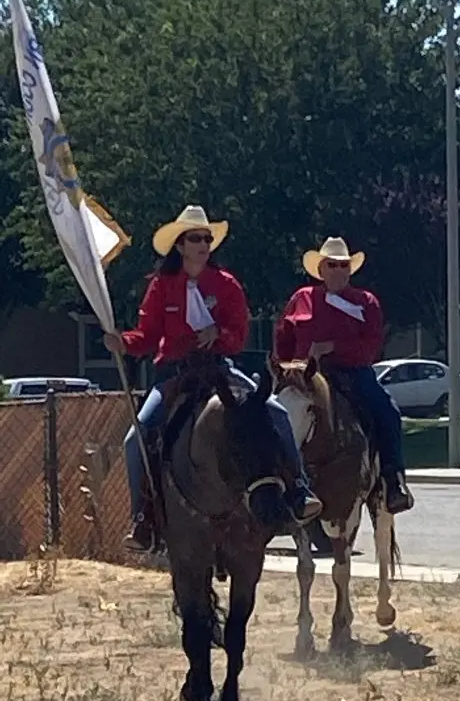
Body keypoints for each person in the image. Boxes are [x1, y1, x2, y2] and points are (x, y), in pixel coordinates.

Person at [103, 205, 322, 551]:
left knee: (277, 412)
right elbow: (146, 336)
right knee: (136, 437)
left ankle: (299, 489)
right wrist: (123, 342)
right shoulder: (161, 286)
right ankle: (143, 517)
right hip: (175, 373)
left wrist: (217, 331)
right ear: (180, 246)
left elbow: (240, 332)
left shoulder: (226, 284)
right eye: (196, 238)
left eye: (207, 237)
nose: (203, 243)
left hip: (219, 368)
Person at [274, 236, 413, 514]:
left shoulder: (366, 302)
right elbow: (283, 337)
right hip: (306, 375)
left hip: (352, 373)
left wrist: (333, 346)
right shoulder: (302, 299)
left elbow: (371, 345)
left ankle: (392, 479)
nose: (338, 271)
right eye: (332, 265)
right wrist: (286, 368)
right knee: (272, 414)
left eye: (343, 266)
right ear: (321, 269)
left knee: (388, 412)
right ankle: (270, 485)